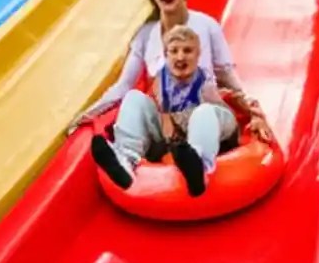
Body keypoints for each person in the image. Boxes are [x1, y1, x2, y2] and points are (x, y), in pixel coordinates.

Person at [91, 25, 274, 196]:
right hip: (177, 141)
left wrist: (255, 116)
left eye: (187, 51)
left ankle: (198, 167)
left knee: (202, 113)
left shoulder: (208, 80)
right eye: (174, 51)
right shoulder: (160, 83)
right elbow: (145, 109)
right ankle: (125, 160)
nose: (180, 57)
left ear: (197, 55)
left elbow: (241, 96)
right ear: (166, 56)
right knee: (134, 98)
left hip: (217, 131)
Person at [69, 0, 243, 131]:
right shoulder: (145, 35)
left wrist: (251, 109)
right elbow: (123, 86)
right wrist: (90, 113)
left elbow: (227, 74)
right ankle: (125, 154)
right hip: (167, 120)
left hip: (204, 112)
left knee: (200, 103)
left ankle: (193, 150)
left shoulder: (206, 25)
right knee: (134, 99)